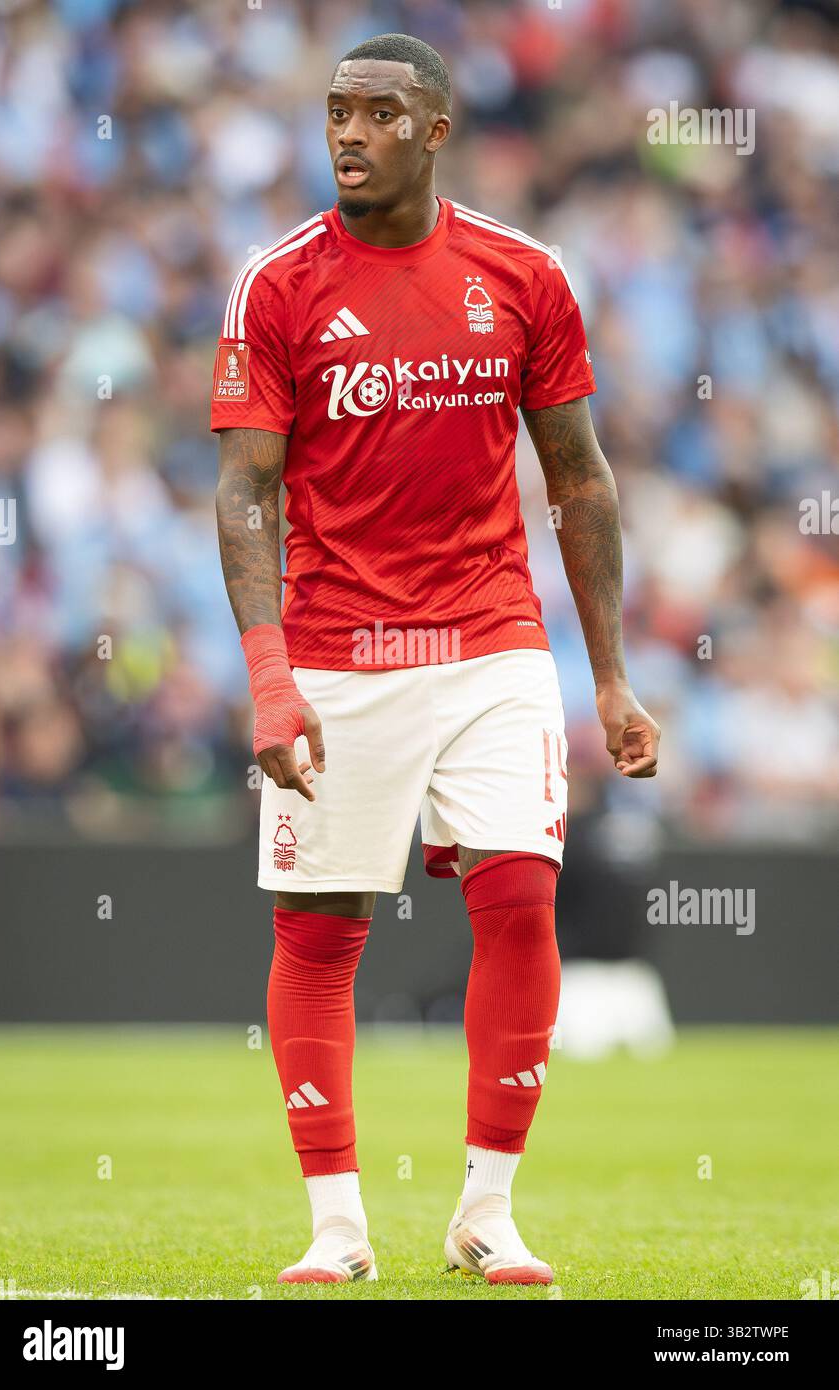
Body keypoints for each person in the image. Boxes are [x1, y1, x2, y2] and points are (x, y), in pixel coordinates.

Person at [212, 32, 660, 1286]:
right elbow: (243, 496)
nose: (347, 134)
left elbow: (578, 478)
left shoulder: (522, 274)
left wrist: (610, 676)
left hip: (489, 640)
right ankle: (338, 1228)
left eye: (376, 113)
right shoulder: (276, 284)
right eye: (334, 113)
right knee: (320, 935)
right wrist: (267, 674)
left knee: (518, 891)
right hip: (336, 654)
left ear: (434, 129)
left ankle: (486, 1210)